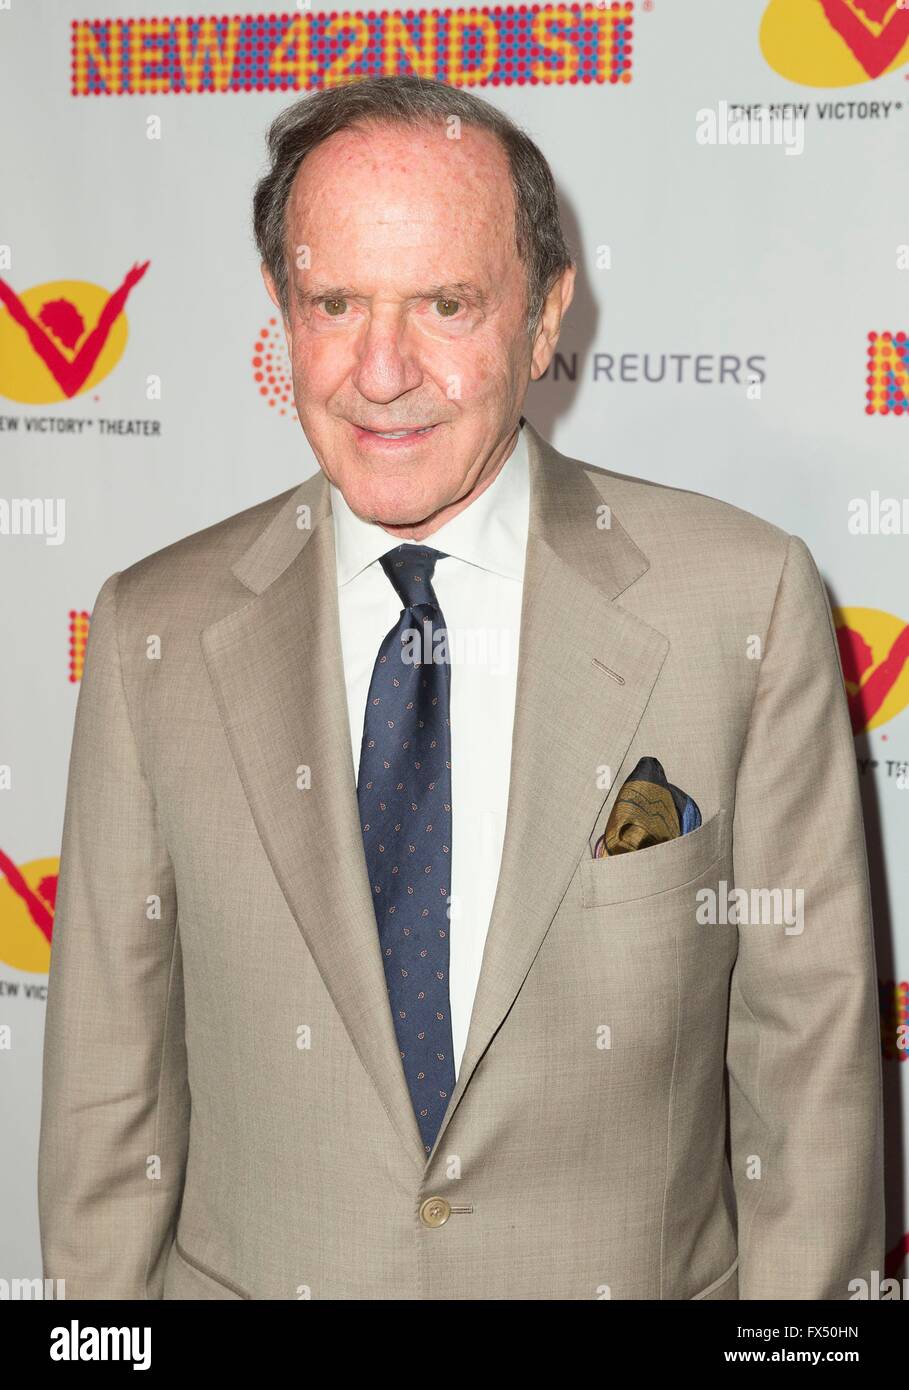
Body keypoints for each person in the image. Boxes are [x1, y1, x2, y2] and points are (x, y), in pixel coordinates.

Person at [38, 75, 884, 1301]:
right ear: (282, 314)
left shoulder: (739, 605)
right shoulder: (150, 632)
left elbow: (812, 1083)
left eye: (446, 303)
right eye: (336, 303)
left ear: (545, 319)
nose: (383, 373)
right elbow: (106, 1120)